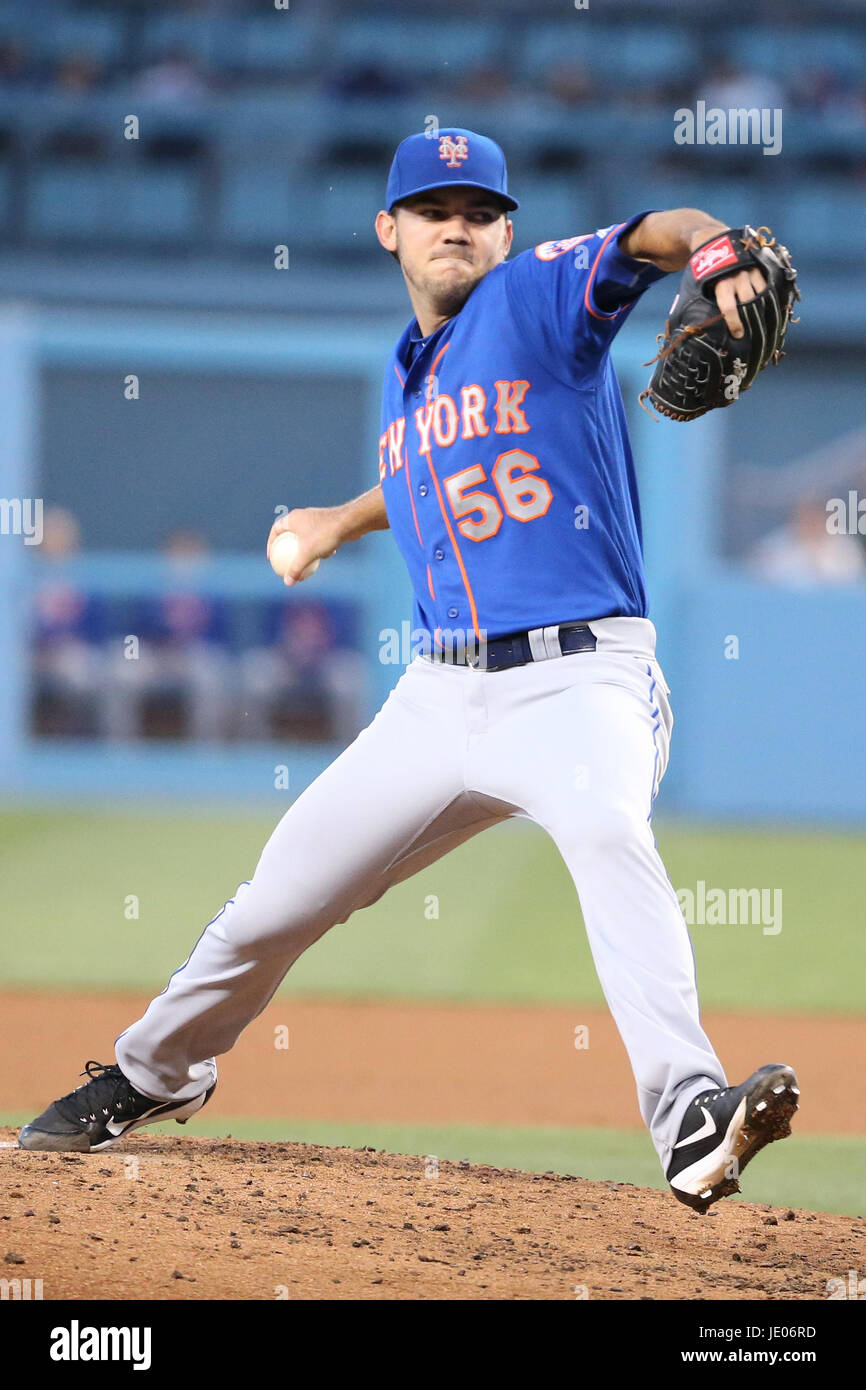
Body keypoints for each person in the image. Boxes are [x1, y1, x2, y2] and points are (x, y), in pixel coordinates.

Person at [19, 128, 799, 1213]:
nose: (457, 226)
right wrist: (337, 521)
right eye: (432, 209)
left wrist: (712, 248)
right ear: (389, 230)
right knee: (275, 899)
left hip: (581, 679)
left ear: (506, 232)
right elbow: (431, 465)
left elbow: (651, 236)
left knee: (605, 830)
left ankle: (689, 1118)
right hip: (435, 696)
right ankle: (153, 1073)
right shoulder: (407, 372)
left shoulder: (532, 297)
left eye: (479, 210)